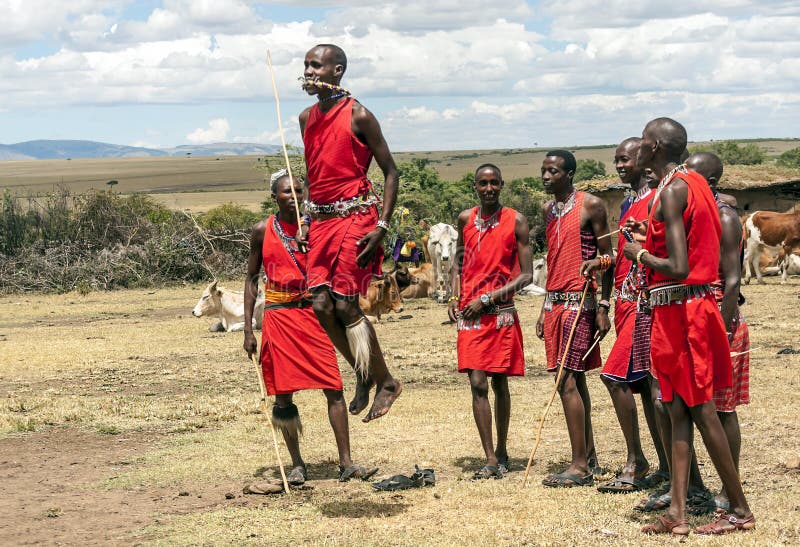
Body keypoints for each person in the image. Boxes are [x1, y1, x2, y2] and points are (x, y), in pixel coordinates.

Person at [623, 118, 754, 535]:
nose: (640, 148)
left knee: (701, 409)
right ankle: (678, 513)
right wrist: (652, 233)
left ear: (656, 147)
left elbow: (679, 266)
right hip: (679, 310)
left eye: (644, 141)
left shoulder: (673, 189)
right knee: (677, 410)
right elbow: (688, 240)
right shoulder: (691, 183)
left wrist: (638, 253)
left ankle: (739, 510)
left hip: (683, 312)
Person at [243, 171, 378, 486]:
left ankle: (346, 463)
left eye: (298, 190)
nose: (294, 196)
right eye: (286, 191)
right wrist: (249, 329)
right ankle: (297, 464)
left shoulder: (318, 226)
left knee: (333, 387)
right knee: (282, 395)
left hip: (314, 315)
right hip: (278, 317)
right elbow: (251, 278)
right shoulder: (263, 230)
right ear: (274, 197)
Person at [298, 44, 401, 423]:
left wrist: (382, 226)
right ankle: (364, 371)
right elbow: (312, 174)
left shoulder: (359, 115)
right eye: (306, 65)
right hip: (321, 222)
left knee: (344, 304)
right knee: (321, 305)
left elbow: (391, 171)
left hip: (356, 217)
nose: (309, 72)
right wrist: (306, 220)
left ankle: (386, 382)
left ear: (337, 70)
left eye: (316, 65)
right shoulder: (306, 117)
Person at [448, 164, 533, 480]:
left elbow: (526, 275)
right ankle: (490, 459)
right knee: (477, 383)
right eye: (483, 183)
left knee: (499, 382)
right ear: (475, 186)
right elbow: (459, 260)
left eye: (494, 183)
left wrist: (487, 299)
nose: (489, 188)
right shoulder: (464, 219)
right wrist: (454, 295)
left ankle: (502, 449)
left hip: (499, 312)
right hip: (469, 314)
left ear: (501, 185)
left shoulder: (516, 221)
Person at [536, 150, 614, 487]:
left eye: (553, 171)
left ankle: (579, 466)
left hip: (580, 302)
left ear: (569, 174)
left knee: (566, 379)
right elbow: (552, 259)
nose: (546, 176)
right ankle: (589, 457)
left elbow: (609, 255)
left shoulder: (591, 205)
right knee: (575, 380)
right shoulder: (547, 210)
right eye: (544, 170)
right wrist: (543, 307)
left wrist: (604, 305)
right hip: (554, 303)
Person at [597, 138, 669, 494]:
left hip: (644, 304)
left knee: (614, 377)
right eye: (617, 160)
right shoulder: (629, 202)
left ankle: (637, 461)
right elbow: (624, 253)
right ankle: (665, 465)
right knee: (643, 385)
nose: (620, 166)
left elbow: (656, 250)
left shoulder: (656, 199)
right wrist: (602, 263)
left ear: (644, 160)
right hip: (625, 305)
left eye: (626, 159)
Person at [684, 152, 750, 513]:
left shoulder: (725, 217)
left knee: (723, 409)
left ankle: (729, 489)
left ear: (708, 181)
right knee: (698, 407)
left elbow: (733, 281)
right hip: (697, 318)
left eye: (691, 176)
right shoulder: (700, 213)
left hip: (722, 321)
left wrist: (721, 331)